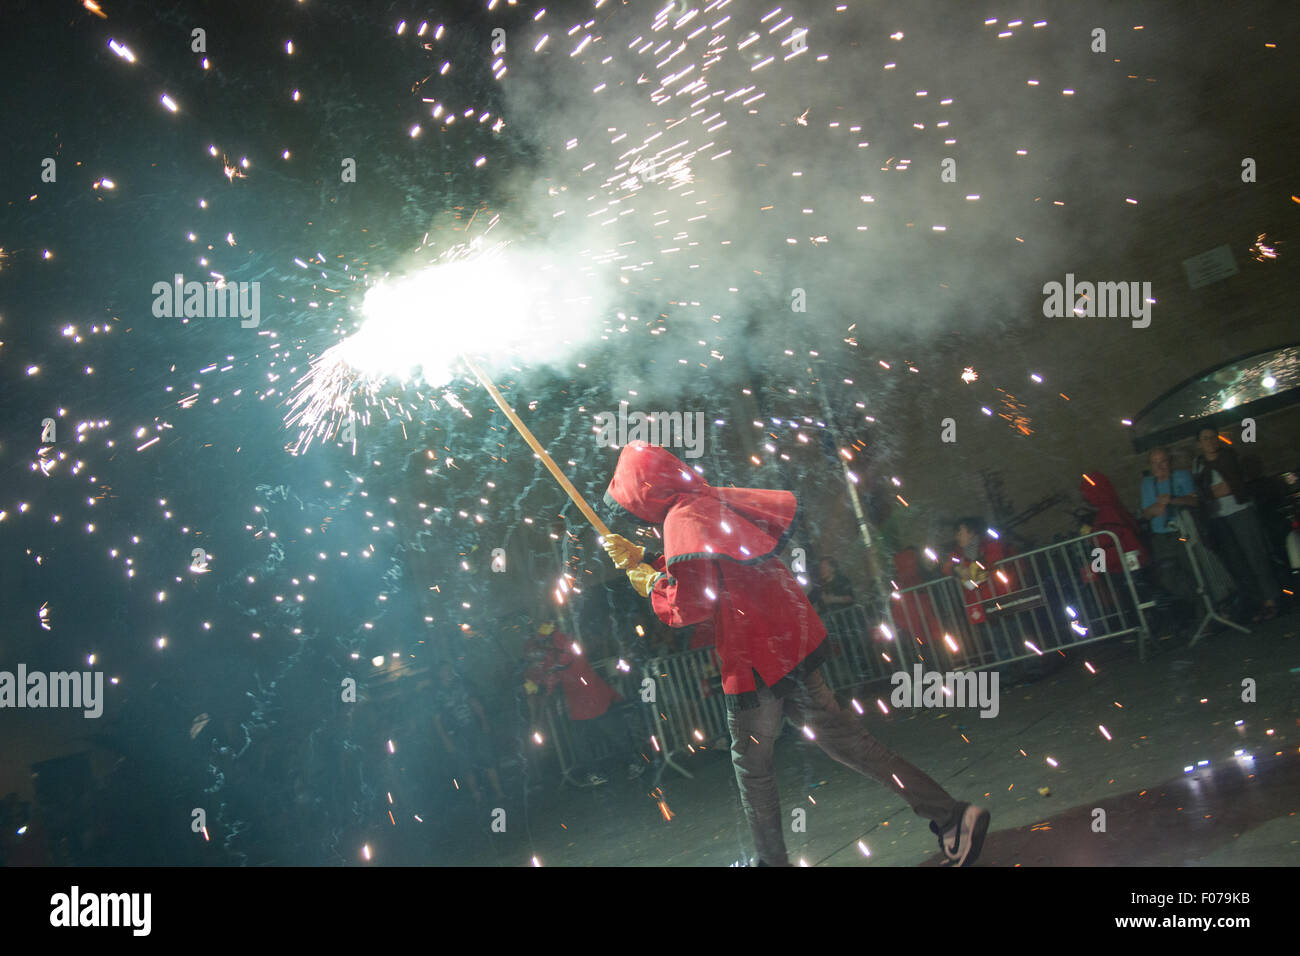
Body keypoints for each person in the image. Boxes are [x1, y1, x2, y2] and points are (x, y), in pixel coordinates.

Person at [601, 440, 989, 867]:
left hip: (755, 659)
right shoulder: (705, 502)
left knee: (752, 768)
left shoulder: (681, 518)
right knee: (848, 743)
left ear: (647, 490)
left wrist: (646, 581)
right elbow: (711, 569)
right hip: (788, 645)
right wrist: (650, 561)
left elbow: (690, 606)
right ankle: (952, 816)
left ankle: (772, 862)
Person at [1193, 426, 1279, 622]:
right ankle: (1256, 602)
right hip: (1218, 517)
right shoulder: (1198, 464)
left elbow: (1231, 486)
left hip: (1239, 511)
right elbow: (1206, 492)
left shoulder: (1227, 457)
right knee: (1238, 562)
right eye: (1205, 438)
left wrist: (1210, 493)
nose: (1210, 441)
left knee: (1255, 555)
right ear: (1199, 443)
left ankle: (1271, 600)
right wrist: (1212, 493)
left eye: (1213, 437)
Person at [433, 662, 506, 804]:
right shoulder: (437, 695)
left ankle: (499, 793)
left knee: (487, 758)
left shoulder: (461, 684)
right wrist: (445, 739)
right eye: (445, 671)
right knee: (466, 766)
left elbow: (474, 702)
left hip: (474, 727)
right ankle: (477, 797)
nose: (448, 673)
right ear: (439, 674)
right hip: (456, 734)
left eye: (450, 669)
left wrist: (484, 721)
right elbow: (437, 720)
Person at [1140, 447, 1200, 608]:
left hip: (1182, 533)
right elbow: (1146, 513)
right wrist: (1156, 508)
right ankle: (1200, 603)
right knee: (1168, 576)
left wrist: (1173, 500)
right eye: (1155, 463)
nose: (1160, 467)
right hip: (1161, 538)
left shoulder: (1181, 476)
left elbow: (1194, 500)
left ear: (1170, 462)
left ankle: (1206, 610)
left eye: (1163, 462)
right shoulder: (1147, 484)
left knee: (1195, 571)